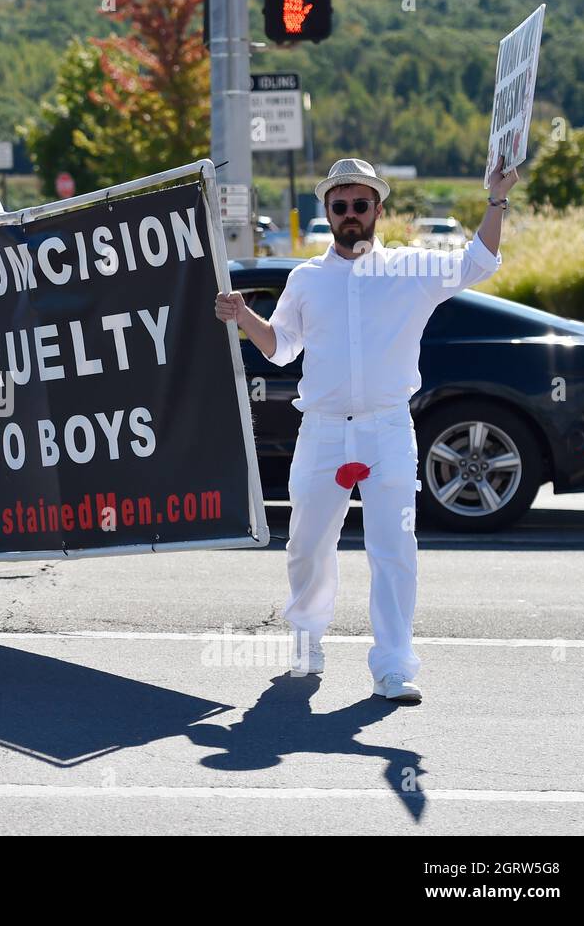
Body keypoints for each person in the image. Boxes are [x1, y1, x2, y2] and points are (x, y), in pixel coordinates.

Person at [215, 157, 519, 703]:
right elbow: (282, 349)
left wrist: (496, 199)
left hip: (387, 430)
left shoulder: (411, 269)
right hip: (323, 431)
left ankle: (394, 666)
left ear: (378, 209)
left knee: (394, 546)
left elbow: (479, 262)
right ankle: (307, 639)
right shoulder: (306, 279)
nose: (350, 214)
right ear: (326, 213)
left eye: (360, 204)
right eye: (340, 206)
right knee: (307, 545)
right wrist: (243, 317)